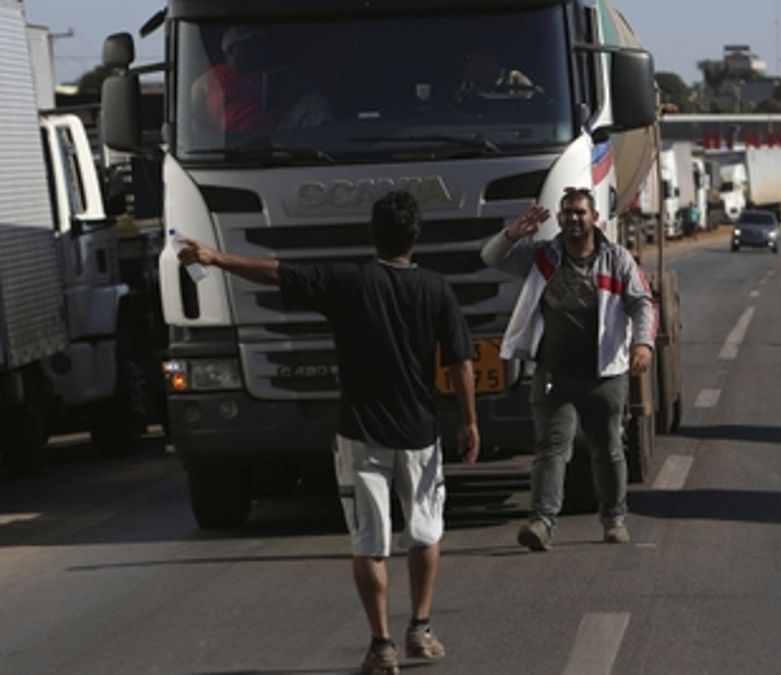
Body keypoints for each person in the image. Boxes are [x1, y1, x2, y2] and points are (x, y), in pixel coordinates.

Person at [176, 191, 479, 674]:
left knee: (369, 543)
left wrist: (215, 257)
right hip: (420, 433)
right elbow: (462, 361)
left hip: (361, 435)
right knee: (425, 533)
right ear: (415, 238)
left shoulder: (346, 282)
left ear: (372, 235)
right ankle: (420, 628)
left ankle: (382, 645)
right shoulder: (437, 289)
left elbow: (275, 271)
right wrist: (469, 420)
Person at [481, 188, 656, 551]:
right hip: (553, 374)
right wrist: (513, 233)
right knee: (551, 450)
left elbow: (642, 303)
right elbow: (492, 258)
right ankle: (542, 523)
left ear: (594, 218)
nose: (574, 219)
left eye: (580, 213)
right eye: (567, 213)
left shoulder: (616, 259)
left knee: (607, 448)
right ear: (559, 219)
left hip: (605, 374)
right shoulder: (542, 256)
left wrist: (642, 343)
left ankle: (614, 517)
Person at [190, 25, 331, 135]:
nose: (255, 49)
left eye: (256, 44)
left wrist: (290, 92)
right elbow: (197, 124)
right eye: (248, 45)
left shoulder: (269, 73)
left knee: (313, 103)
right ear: (232, 50)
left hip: (281, 134)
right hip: (235, 146)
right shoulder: (205, 83)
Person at [456, 42, 536, 101]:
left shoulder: (514, 78)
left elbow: (530, 101)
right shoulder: (467, 85)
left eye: (485, 60)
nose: (481, 65)